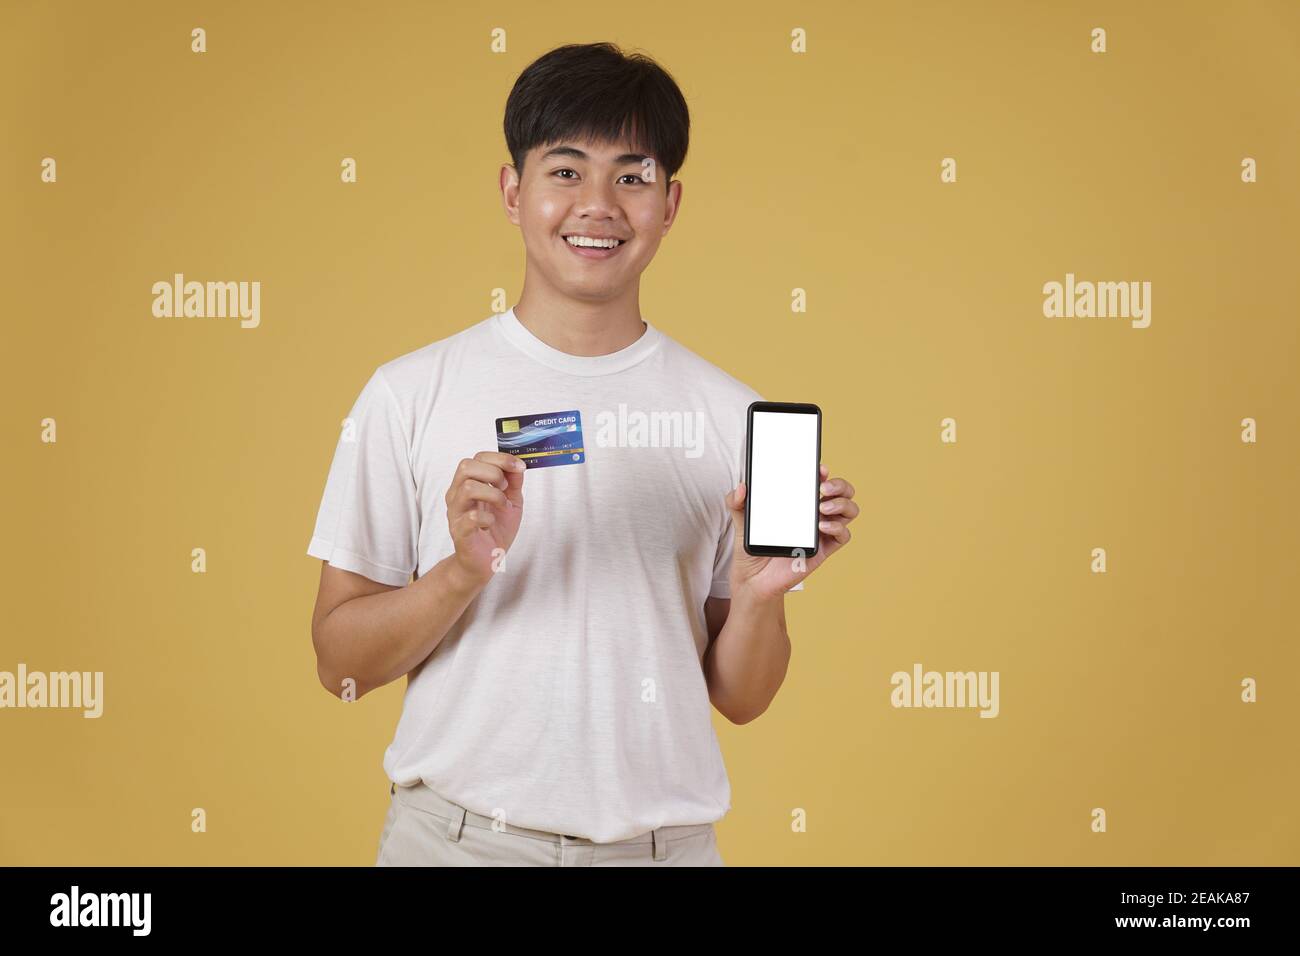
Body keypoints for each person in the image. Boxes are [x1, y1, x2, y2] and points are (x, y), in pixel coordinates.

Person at [306, 41, 859, 867]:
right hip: (456, 845)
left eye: (631, 177)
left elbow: (741, 700)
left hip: (662, 850)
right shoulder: (408, 392)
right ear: (512, 190)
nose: (598, 204)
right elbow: (338, 663)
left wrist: (757, 596)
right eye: (566, 171)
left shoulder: (730, 414)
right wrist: (462, 568)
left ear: (669, 205)